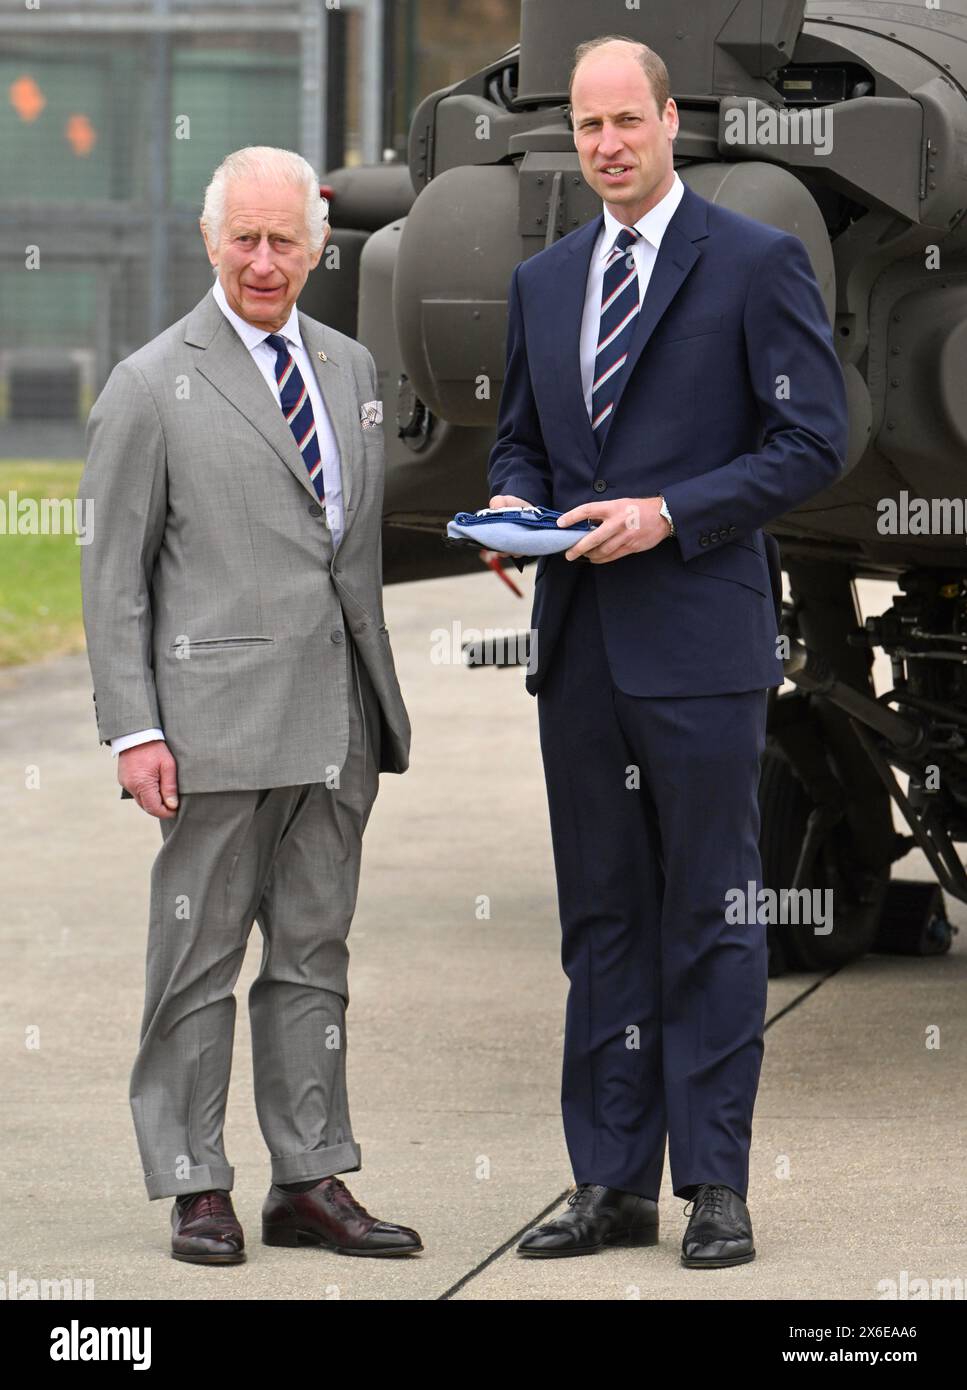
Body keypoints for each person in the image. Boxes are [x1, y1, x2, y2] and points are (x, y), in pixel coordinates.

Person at [488, 37, 848, 1266]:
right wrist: (514, 517)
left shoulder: (753, 263)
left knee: (710, 912)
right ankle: (608, 1183)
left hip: (698, 644)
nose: (605, 144)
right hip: (580, 645)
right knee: (600, 919)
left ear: (669, 118)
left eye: (624, 121)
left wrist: (669, 512)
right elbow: (520, 445)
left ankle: (717, 1185)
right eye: (586, 126)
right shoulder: (542, 282)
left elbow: (813, 443)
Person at [78, 145, 422, 1264]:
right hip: (211, 728)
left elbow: (348, 540)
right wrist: (134, 727)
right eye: (246, 240)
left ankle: (310, 1177)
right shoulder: (149, 383)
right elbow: (112, 575)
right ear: (210, 240)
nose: (266, 262)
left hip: (338, 722)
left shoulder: (353, 370)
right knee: (197, 961)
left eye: (287, 241)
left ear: (320, 247)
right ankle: (194, 1184)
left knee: (314, 956)